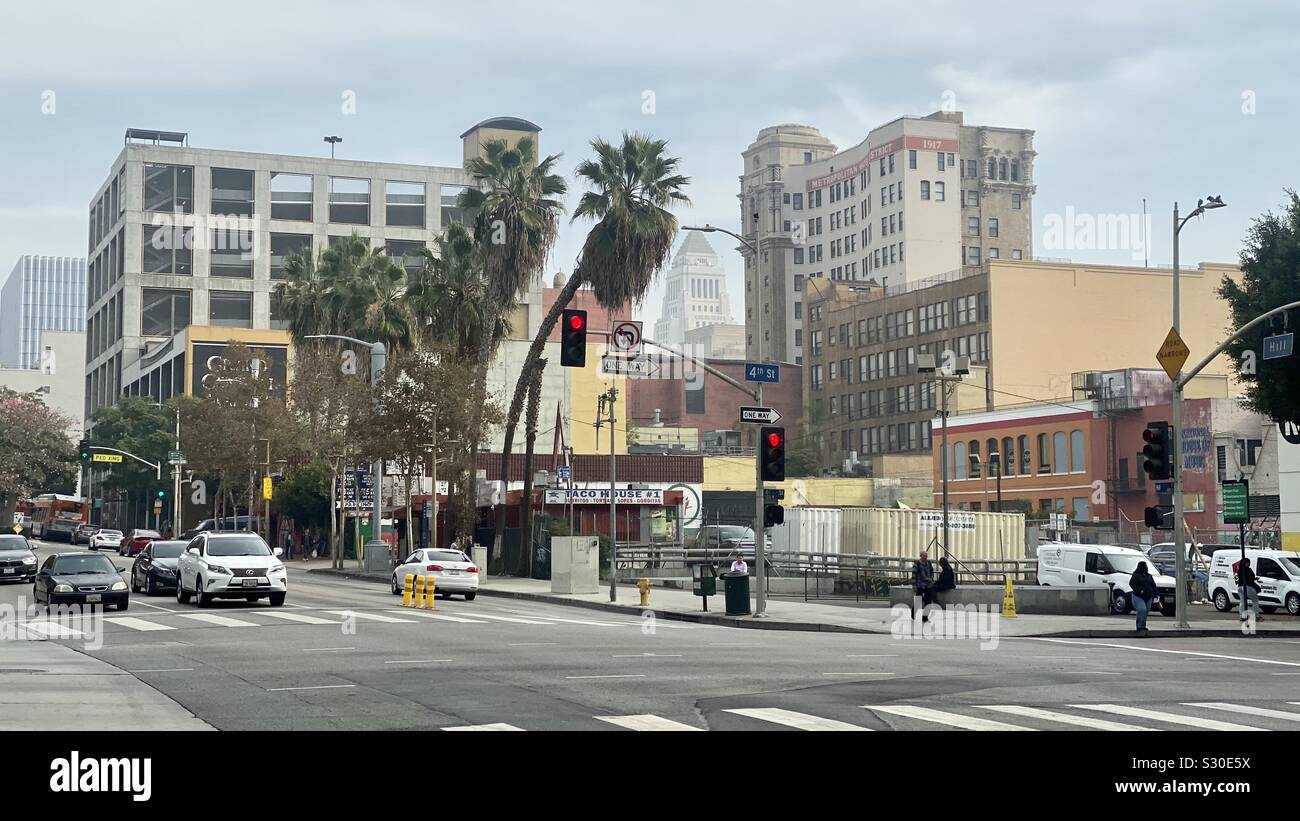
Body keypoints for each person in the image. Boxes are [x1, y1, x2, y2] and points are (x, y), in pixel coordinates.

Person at [1129, 560, 1157, 637]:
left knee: (1146, 611)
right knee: (1142, 609)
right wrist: (1139, 590)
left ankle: (1143, 625)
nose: (1146, 568)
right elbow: (1131, 584)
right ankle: (1139, 626)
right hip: (1138, 596)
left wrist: (1156, 594)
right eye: (1145, 566)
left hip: (1148, 596)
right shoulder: (1136, 575)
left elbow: (1153, 585)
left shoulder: (1149, 576)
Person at [912, 550, 935, 622]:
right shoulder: (917, 564)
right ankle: (913, 612)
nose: (925, 557)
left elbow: (932, 571)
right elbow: (914, 575)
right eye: (924, 556)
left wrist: (931, 578)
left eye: (926, 556)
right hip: (920, 585)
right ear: (921, 556)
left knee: (928, 602)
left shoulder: (929, 563)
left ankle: (925, 617)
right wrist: (914, 586)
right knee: (918, 601)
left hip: (928, 585)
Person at [1238, 557, 1262, 622]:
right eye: (1248, 562)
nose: (1249, 564)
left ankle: (1242, 616)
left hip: (1240, 587)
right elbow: (1250, 578)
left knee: (1242, 601)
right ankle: (1256, 615)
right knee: (1255, 600)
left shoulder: (1239, 570)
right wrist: (1254, 578)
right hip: (1248, 587)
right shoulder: (1248, 570)